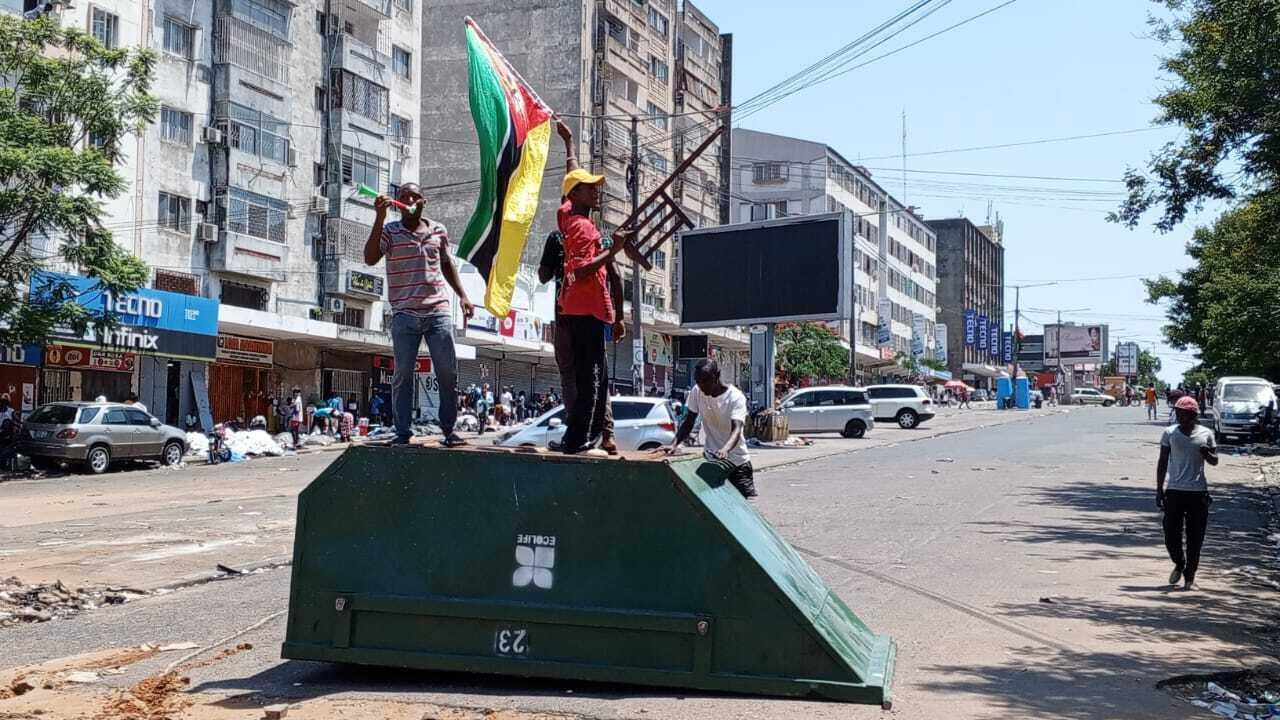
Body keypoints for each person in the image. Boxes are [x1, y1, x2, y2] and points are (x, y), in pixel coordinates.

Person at [364, 182, 473, 447]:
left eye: (414, 195)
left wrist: (463, 295)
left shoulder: (438, 230)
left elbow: (446, 263)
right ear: (398, 203)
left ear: (423, 201)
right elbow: (369, 258)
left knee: (448, 372)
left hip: (438, 310)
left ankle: (449, 429)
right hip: (404, 313)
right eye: (404, 196)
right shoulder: (390, 231)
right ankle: (402, 432)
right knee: (402, 374)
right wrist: (379, 216)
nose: (409, 199)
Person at [553, 119, 633, 454]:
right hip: (585, 311)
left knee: (592, 379)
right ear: (576, 195)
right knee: (592, 380)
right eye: (591, 187)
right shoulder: (584, 229)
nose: (596, 190)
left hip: (581, 310)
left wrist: (569, 144)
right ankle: (579, 439)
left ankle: (588, 437)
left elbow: (571, 177)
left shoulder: (568, 216)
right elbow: (583, 270)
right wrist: (613, 250)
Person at [538, 228, 626, 454]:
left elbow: (542, 276)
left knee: (570, 376)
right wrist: (619, 319)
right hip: (594, 319)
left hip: (566, 316)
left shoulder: (558, 236)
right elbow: (617, 277)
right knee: (599, 378)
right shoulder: (603, 238)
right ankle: (607, 435)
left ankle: (575, 434)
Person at [665, 359, 755, 498]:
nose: (701, 386)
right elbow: (689, 422)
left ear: (716, 376)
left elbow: (736, 429)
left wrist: (725, 449)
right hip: (711, 463)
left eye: (705, 381)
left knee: (741, 514)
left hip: (737, 464)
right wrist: (673, 444)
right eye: (698, 381)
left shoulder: (736, 397)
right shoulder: (696, 392)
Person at [1156, 395, 1218, 591]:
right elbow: (1163, 462)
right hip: (1174, 491)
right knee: (1170, 534)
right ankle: (1179, 562)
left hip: (1198, 493)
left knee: (1195, 537)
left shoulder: (1206, 434)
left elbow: (1215, 461)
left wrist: (1207, 453)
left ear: (1194, 415)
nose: (1181, 418)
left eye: (1185, 415)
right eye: (1179, 413)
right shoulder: (1170, 433)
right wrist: (1159, 490)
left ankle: (1190, 575)